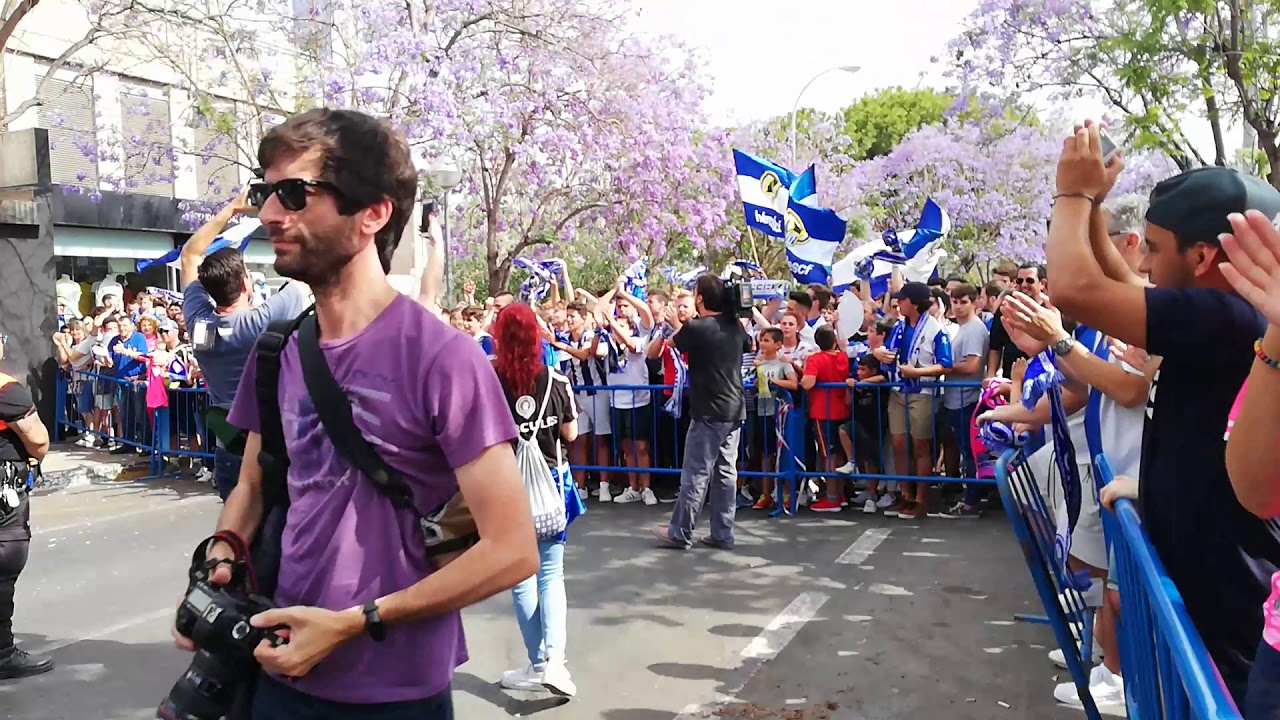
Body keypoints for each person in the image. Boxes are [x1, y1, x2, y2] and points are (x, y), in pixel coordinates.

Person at [173, 108, 539, 718]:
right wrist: (222, 557)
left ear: (372, 213)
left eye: (295, 193)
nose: (270, 214)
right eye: (266, 192)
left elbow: (513, 549)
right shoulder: (278, 349)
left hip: (395, 692)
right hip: (275, 669)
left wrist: (353, 623)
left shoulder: (442, 358)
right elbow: (253, 485)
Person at [1046, 121, 1280, 704]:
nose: (1144, 263)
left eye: (1153, 247)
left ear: (1201, 256)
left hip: (1222, 587)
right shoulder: (1220, 309)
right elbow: (1118, 280)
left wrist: (1071, 194)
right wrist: (1093, 209)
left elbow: (1074, 290)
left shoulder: (1219, 316)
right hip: (1210, 568)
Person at [180, 189, 310, 500]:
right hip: (271, 446)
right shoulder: (263, 319)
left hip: (228, 446)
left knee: (236, 521)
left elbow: (190, 256)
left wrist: (230, 210)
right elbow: (305, 267)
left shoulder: (198, 322)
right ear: (244, 283)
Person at [491, 304, 582, 698]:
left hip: (506, 488)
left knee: (521, 578)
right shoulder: (556, 379)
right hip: (551, 485)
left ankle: (538, 661)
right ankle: (556, 661)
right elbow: (571, 434)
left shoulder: (489, 380)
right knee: (551, 573)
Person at [654, 274, 752, 550]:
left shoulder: (698, 327)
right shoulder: (733, 325)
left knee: (696, 474)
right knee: (725, 474)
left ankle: (680, 532)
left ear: (699, 298)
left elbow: (673, 342)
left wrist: (676, 323)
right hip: (734, 409)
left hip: (708, 410)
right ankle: (722, 533)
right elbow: (749, 344)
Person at [0, 333, 53, 679]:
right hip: (4, 491)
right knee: (6, 560)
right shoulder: (5, 389)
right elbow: (37, 440)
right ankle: (2, 653)